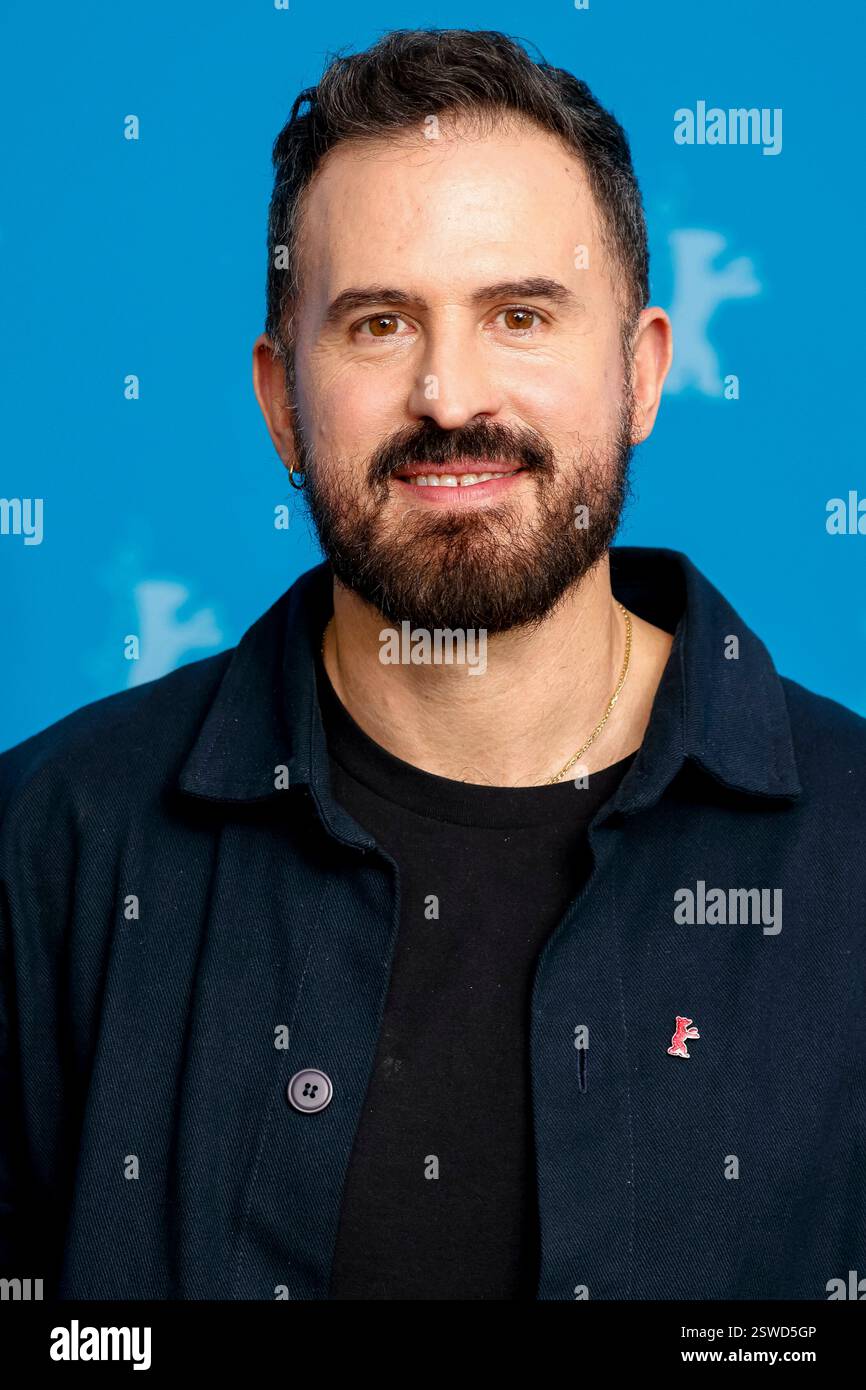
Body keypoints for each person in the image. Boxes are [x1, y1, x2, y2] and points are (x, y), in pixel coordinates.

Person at [1, 28, 864, 1302]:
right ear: (281, 400)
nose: (447, 394)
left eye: (519, 313)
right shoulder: (50, 845)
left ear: (639, 373)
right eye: (377, 323)